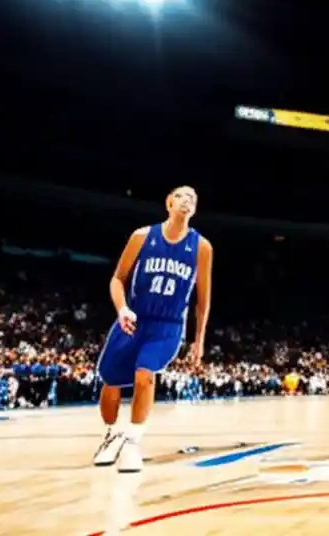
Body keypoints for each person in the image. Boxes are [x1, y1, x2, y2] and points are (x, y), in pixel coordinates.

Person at [93, 186, 212, 472]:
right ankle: (111, 435)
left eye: (193, 198)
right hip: (134, 318)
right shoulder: (142, 236)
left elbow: (203, 299)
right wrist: (122, 309)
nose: (188, 200)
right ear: (169, 203)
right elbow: (117, 279)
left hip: (168, 326)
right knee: (110, 382)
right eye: (182, 196)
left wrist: (199, 339)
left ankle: (133, 441)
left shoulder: (202, 247)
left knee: (145, 374)